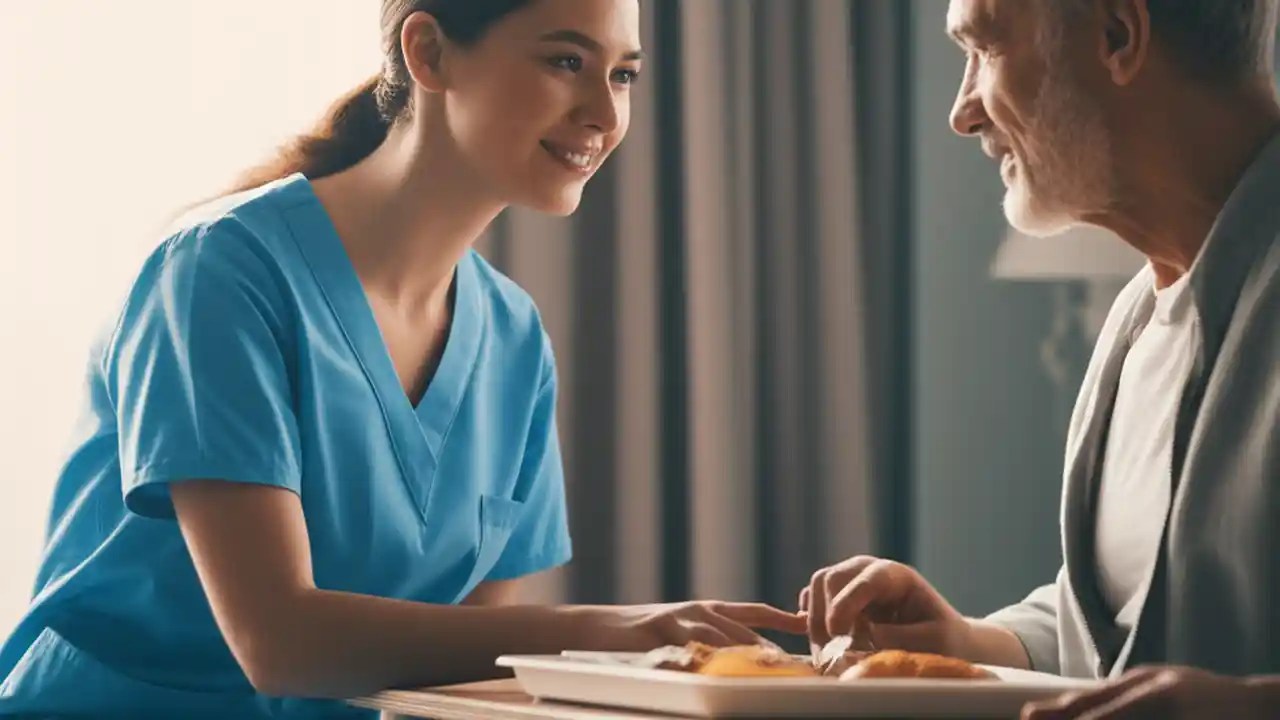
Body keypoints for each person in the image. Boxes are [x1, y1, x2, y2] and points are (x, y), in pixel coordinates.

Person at [0, 1, 803, 717]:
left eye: (623, 74)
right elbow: (280, 643)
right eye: (566, 61)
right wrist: (617, 631)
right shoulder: (219, 274)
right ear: (429, 52)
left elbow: (463, 668)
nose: (605, 112)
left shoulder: (514, 338)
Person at [802, 0, 1280, 717]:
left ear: (1118, 35)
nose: (962, 114)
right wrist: (969, 642)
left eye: (985, 50)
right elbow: (1132, 626)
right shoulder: (1138, 320)